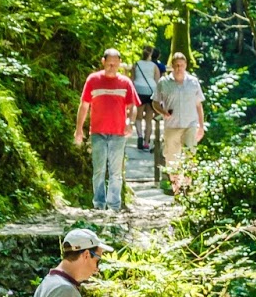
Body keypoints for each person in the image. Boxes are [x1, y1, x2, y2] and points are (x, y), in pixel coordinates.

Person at [74, 48, 141, 211]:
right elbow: (84, 106)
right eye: (109, 63)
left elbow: (133, 106)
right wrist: (79, 129)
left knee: (115, 172)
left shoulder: (125, 82)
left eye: (115, 64)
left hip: (118, 133)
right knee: (99, 169)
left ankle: (114, 206)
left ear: (119, 64)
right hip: (98, 132)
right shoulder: (93, 80)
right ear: (103, 62)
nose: (112, 66)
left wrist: (130, 123)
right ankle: (99, 204)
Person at [153, 53, 205, 196]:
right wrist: (163, 111)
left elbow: (198, 105)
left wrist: (201, 126)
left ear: (186, 65)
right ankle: (177, 190)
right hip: (172, 126)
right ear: (172, 66)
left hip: (190, 125)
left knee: (190, 157)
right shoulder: (164, 82)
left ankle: (187, 191)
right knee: (171, 159)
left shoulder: (193, 82)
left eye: (181, 65)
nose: (178, 68)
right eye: (176, 65)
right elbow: (155, 102)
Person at [131, 47, 161, 151]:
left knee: (138, 117)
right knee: (149, 119)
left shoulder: (136, 64)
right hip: (151, 91)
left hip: (139, 91)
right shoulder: (154, 66)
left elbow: (132, 79)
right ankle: (146, 142)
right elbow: (157, 81)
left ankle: (139, 135)